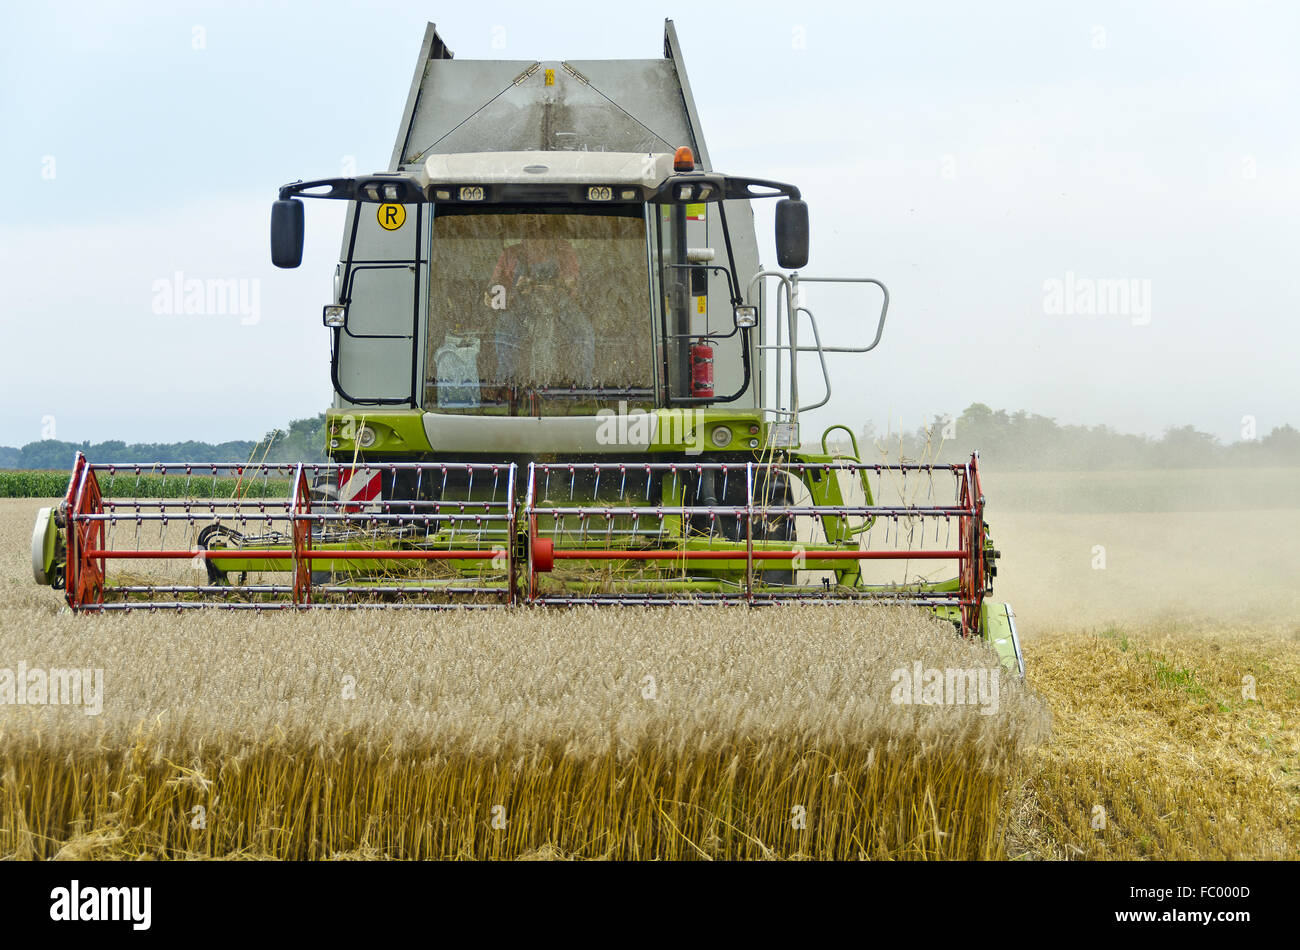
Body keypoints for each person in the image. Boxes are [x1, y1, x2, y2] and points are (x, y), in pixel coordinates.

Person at [485, 216, 595, 388]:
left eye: (541, 231)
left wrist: (558, 285)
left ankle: (583, 386)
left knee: (583, 332)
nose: (535, 237)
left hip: (560, 307)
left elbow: (574, 287)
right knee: (504, 333)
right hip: (520, 308)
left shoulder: (564, 251)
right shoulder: (510, 255)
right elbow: (493, 294)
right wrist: (516, 290)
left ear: (550, 233)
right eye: (529, 232)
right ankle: (505, 386)